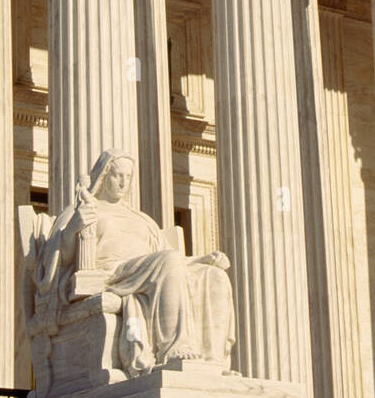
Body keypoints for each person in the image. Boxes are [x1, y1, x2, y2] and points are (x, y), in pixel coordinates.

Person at [36, 150, 235, 374]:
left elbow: (173, 259)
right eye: (117, 175)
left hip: (150, 271)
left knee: (214, 276)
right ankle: (173, 349)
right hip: (112, 274)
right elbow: (57, 258)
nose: (123, 182)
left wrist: (203, 260)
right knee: (167, 262)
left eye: (128, 177)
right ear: (103, 176)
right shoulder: (82, 209)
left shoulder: (141, 218)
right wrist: (73, 227)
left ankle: (211, 362)